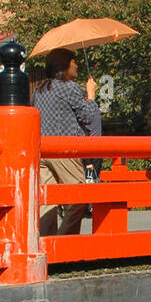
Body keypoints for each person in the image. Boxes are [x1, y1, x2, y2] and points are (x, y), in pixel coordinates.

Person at [34, 47, 101, 236]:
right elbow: (88, 117)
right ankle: (63, 240)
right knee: (79, 195)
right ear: (65, 65)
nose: (77, 65)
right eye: (74, 61)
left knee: (48, 200)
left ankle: (47, 242)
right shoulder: (69, 87)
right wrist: (91, 94)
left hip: (43, 150)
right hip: (64, 149)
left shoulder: (40, 88)